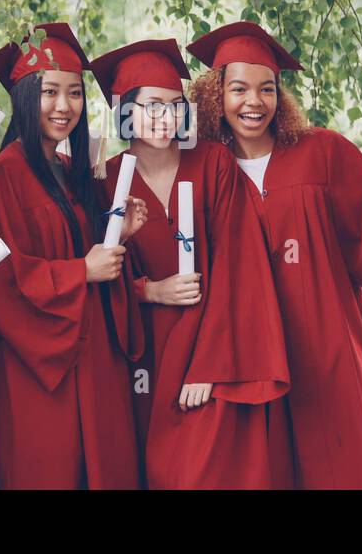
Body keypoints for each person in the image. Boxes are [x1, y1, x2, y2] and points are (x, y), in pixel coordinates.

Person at [187, 21, 362, 488]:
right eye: (239, 89)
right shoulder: (204, 168)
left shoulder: (322, 152)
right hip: (246, 356)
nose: (254, 102)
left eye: (267, 89)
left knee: (337, 465)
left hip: (326, 348)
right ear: (216, 95)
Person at [89, 38, 291, 488]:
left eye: (174, 106)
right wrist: (150, 290)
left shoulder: (213, 163)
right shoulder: (105, 182)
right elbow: (98, 276)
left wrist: (211, 366)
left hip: (214, 342)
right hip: (146, 350)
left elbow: (240, 264)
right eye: (152, 106)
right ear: (126, 111)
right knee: (156, 469)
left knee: (210, 469)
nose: (165, 117)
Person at [0, 22, 147, 488]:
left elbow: (91, 256)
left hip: (91, 358)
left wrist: (118, 236)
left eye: (74, 93)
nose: (65, 106)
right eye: (50, 92)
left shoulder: (70, 170)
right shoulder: (6, 175)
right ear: (27, 97)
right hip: (38, 369)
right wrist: (81, 272)